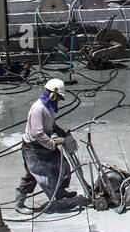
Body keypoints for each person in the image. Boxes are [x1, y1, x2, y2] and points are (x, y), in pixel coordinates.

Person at [15, 79, 81, 210]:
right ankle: (19, 203)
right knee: (32, 176)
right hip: (33, 149)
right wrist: (52, 142)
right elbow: (37, 133)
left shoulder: (48, 108)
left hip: (45, 146)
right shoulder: (38, 109)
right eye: (58, 98)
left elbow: (50, 124)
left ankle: (60, 192)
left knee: (62, 165)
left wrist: (58, 130)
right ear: (52, 95)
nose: (58, 101)